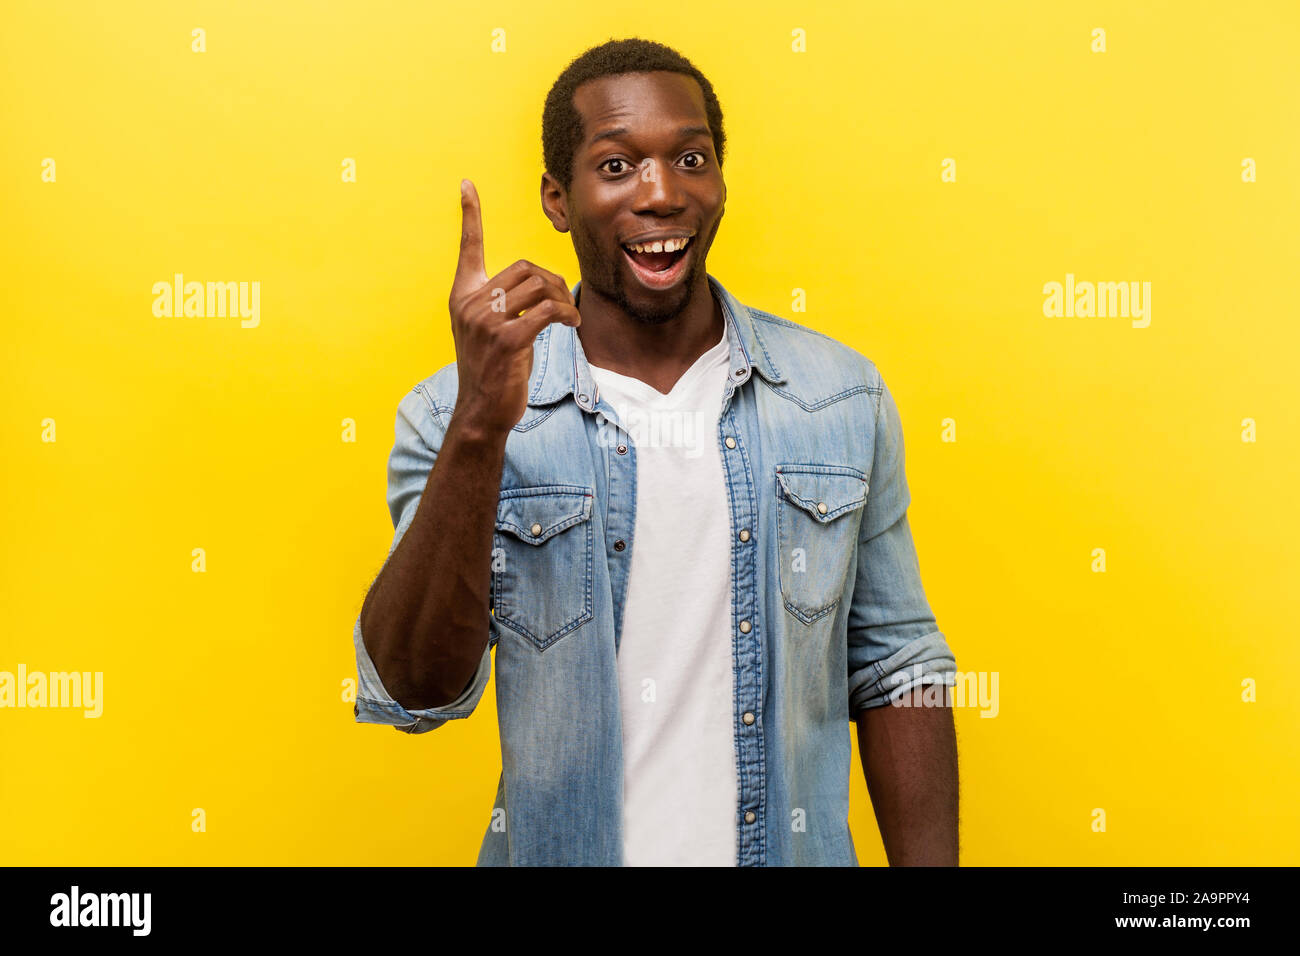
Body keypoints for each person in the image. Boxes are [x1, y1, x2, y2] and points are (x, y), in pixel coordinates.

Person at [353, 37, 958, 866]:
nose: (663, 193)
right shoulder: (451, 414)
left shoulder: (839, 397)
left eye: (691, 157)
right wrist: (480, 426)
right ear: (558, 200)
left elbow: (895, 670)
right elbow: (413, 689)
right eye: (616, 166)